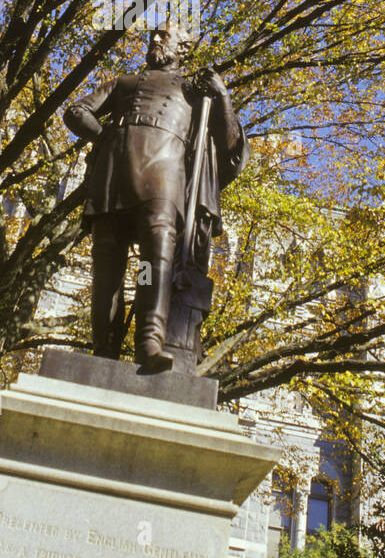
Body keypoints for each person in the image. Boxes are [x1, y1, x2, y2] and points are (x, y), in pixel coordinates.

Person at [63, 20, 249, 371]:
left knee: (155, 256)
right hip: (113, 176)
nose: (154, 39)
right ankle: (103, 349)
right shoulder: (123, 83)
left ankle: (149, 339)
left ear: (183, 48)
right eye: (154, 34)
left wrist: (222, 95)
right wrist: (106, 139)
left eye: (164, 35)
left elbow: (230, 149)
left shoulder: (198, 94)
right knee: (108, 262)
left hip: (164, 177)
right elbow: (76, 111)